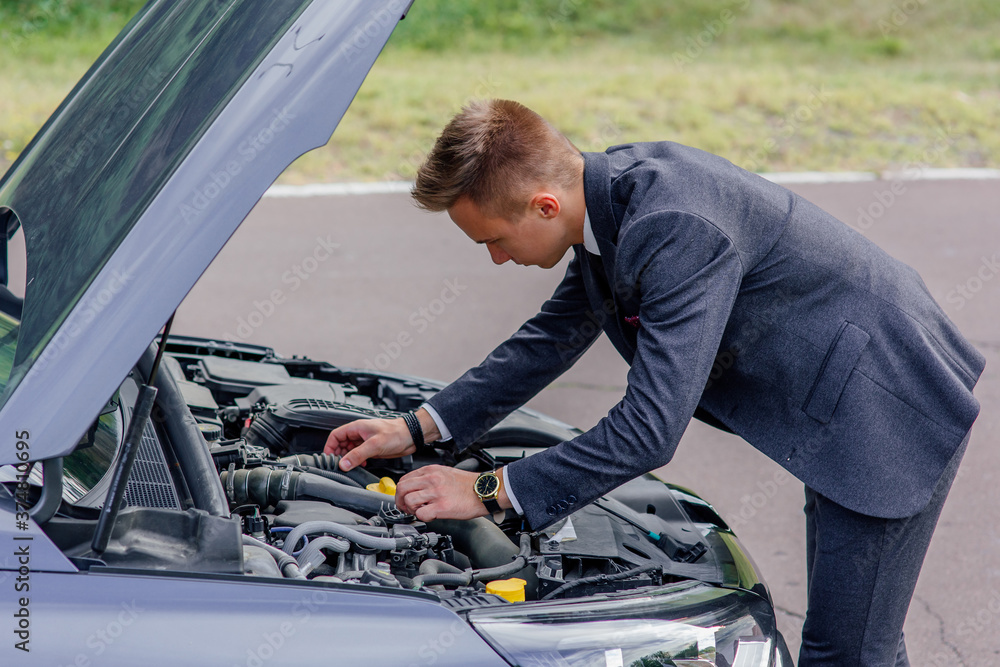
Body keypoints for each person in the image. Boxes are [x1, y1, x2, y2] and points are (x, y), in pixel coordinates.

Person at [324, 99, 984, 664]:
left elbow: (649, 428)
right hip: (839, 403)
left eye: (492, 240)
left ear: (544, 205)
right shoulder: (608, 200)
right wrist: (416, 427)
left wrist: (488, 490)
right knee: (862, 644)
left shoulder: (671, 227)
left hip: (888, 408)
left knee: (844, 653)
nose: (497, 259)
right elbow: (549, 338)